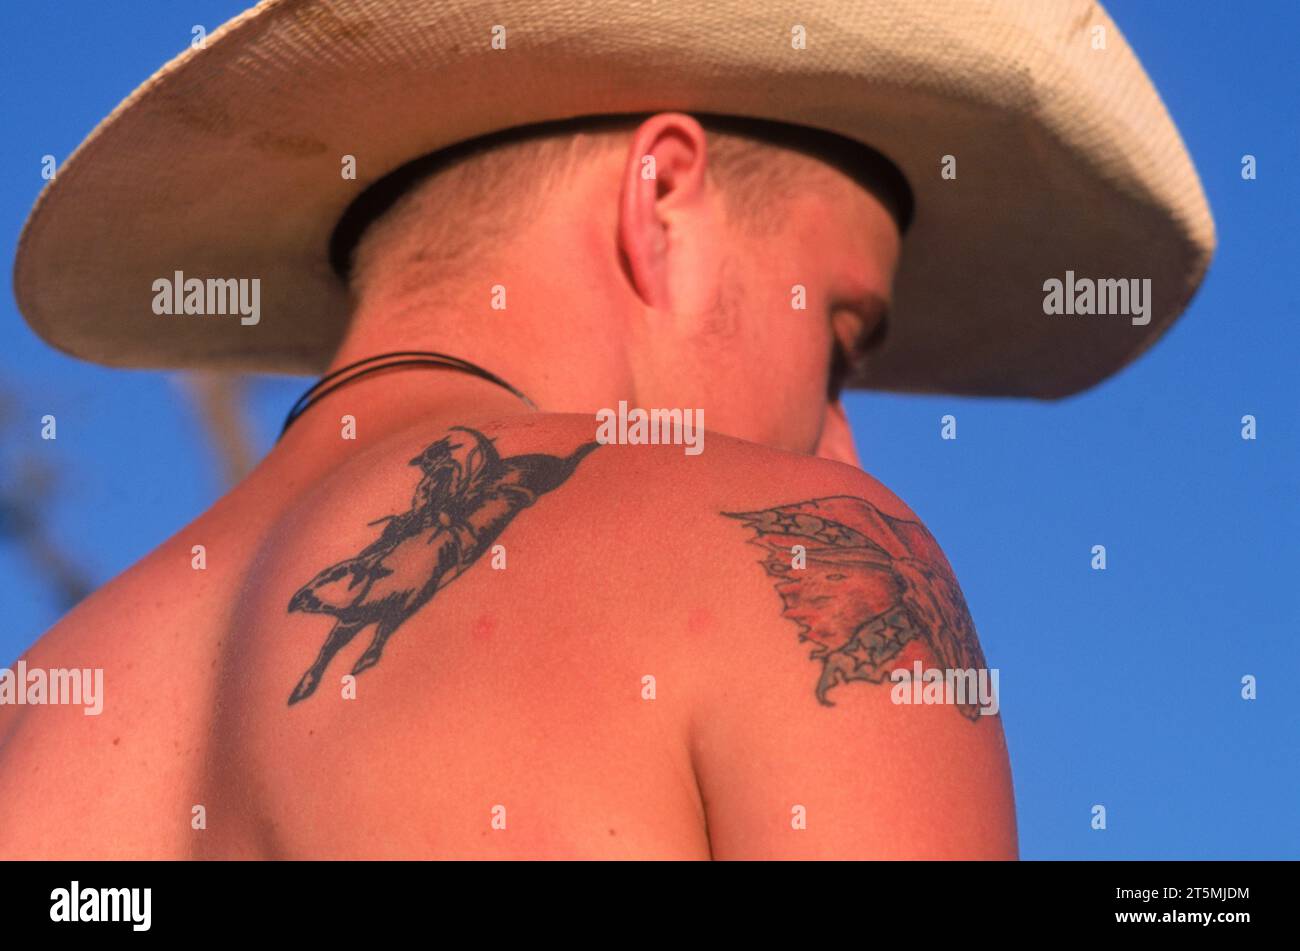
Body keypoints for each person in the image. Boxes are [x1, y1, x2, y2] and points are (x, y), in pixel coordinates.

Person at [1, 0, 1213, 859]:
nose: (842, 445)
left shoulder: (36, 713)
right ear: (665, 202)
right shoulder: (789, 549)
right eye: (839, 336)